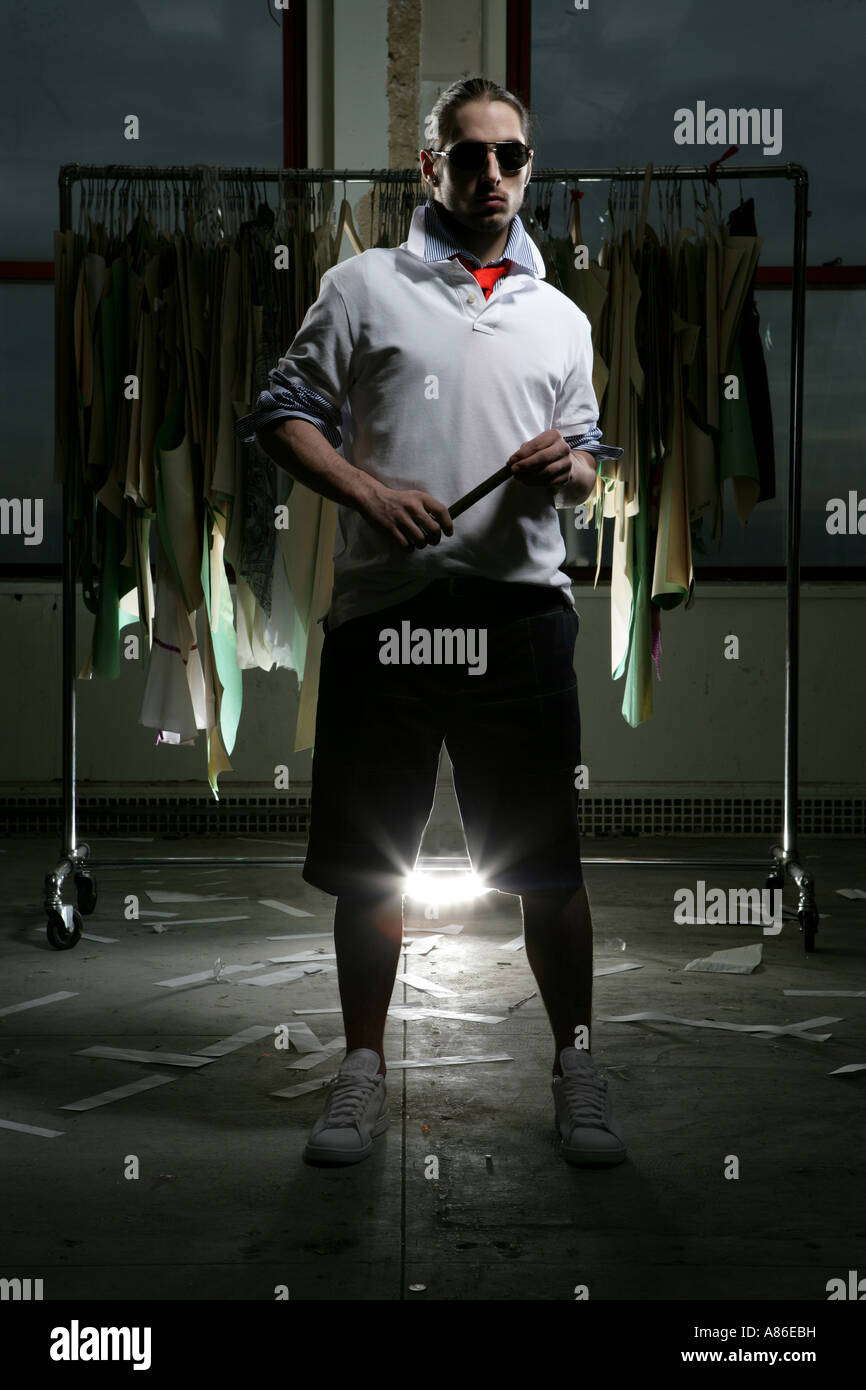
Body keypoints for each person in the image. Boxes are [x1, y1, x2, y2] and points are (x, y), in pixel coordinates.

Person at [235, 76, 627, 1169]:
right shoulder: (362, 286)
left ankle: (575, 1066)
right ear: (430, 169)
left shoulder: (561, 316)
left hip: (520, 622)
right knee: (372, 869)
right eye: (470, 157)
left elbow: (590, 460)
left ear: (527, 169)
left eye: (510, 158)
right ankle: (360, 1069)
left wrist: (572, 467)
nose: (491, 176)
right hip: (386, 620)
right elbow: (280, 415)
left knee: (546, 867)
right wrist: (366, 492)